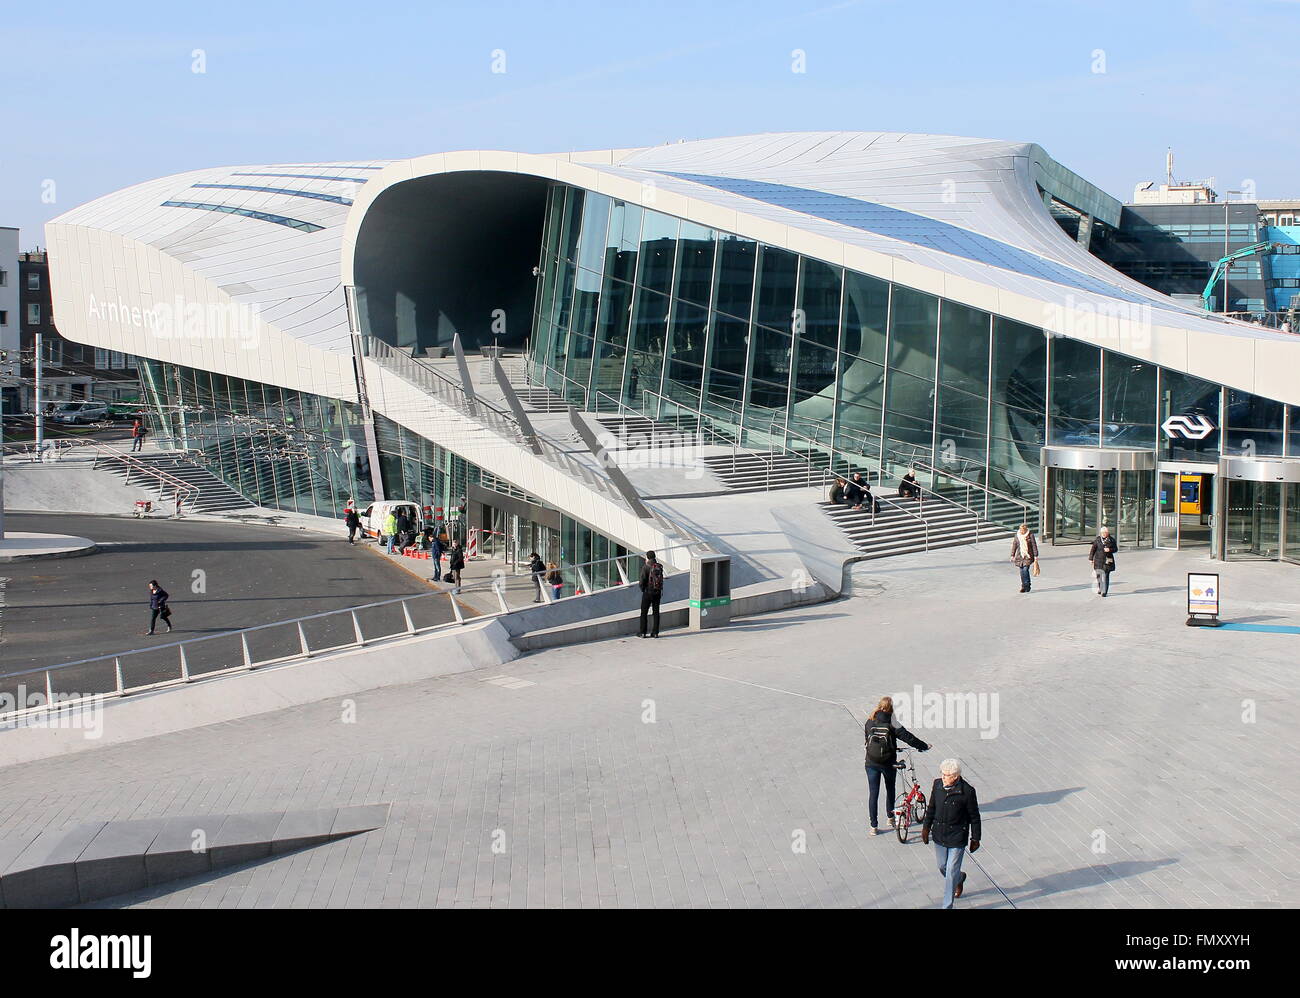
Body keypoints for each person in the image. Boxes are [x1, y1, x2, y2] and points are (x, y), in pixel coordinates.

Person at [863, 696, 930, 835]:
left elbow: (866, 740)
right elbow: (908, 737)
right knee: (890, 789)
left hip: (871, 762)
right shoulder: (892, 722)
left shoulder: (869, 721)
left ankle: (873, 827)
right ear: (891, 708)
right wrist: (923, 746)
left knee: (873, 793)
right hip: (888, 762)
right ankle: (890, 817)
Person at [921, 758, 982, 909]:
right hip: (940, 834)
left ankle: (947, 905)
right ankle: (960, 878)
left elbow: (974, 816)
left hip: (957, 837)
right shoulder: (937, 785)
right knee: (942, 866)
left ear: (955, 776)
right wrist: (926, 826)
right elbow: (931, 807)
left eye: (946, 775)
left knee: (950, 871)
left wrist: (975, 838)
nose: (943, 777)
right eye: (942, 774)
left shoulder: (967, 792)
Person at [638, 550, 665, 638]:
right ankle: (655, 632)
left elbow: (642, 581)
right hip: (657, 592)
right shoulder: (659, 566)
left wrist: (643, 589)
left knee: (644, 612)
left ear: (648, 557)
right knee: (656, 612)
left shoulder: (646, 567)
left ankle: (643, 632)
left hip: (648, 592)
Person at [1087, 526, 1118, 597]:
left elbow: (1116, 549)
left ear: (1108, 533)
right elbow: (1093, 549)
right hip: (1098, 560)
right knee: (1098, 576)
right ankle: (1100, 588)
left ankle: (1104, 592)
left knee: (1106, 576)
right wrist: (1091, 559)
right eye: (1102, 533)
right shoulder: (1098, 540)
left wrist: (1109, 550)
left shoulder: (1111, 540)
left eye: (1105, 533)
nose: (1103, 534)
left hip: (1107, 561)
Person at [1010, 523, 1039, 594]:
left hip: (1028, 555)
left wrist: (1036, 556)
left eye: (1023, 530)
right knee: (1021, 571)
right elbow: (1014, 545)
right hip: (1020, 556)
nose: (1022, 531)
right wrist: (1012, 555)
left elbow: (1034, 545)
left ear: (1026, 530)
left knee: (1025, 570)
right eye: (1021, 530)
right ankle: (1023, 586)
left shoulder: (1030, 535)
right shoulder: (1017, 535)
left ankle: (1027, 585)